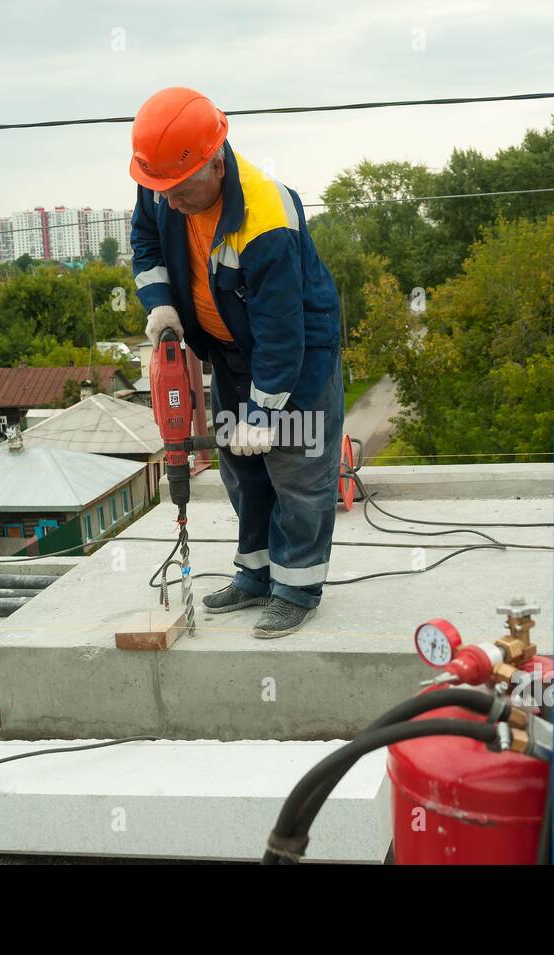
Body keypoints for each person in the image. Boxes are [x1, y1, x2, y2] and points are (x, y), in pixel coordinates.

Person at [128, 87, 344, 638]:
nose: (170, 202)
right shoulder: (162, 181)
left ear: (216, 164)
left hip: (294, 355)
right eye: (162, 191)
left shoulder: (267, 216)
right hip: (225, 352)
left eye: (181, 191)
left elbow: (281, 332)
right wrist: (162, 306)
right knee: (242, 470)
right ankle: (257, 574)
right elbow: (147, 245)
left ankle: (297, 589)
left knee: (296, 470)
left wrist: (265, 412)